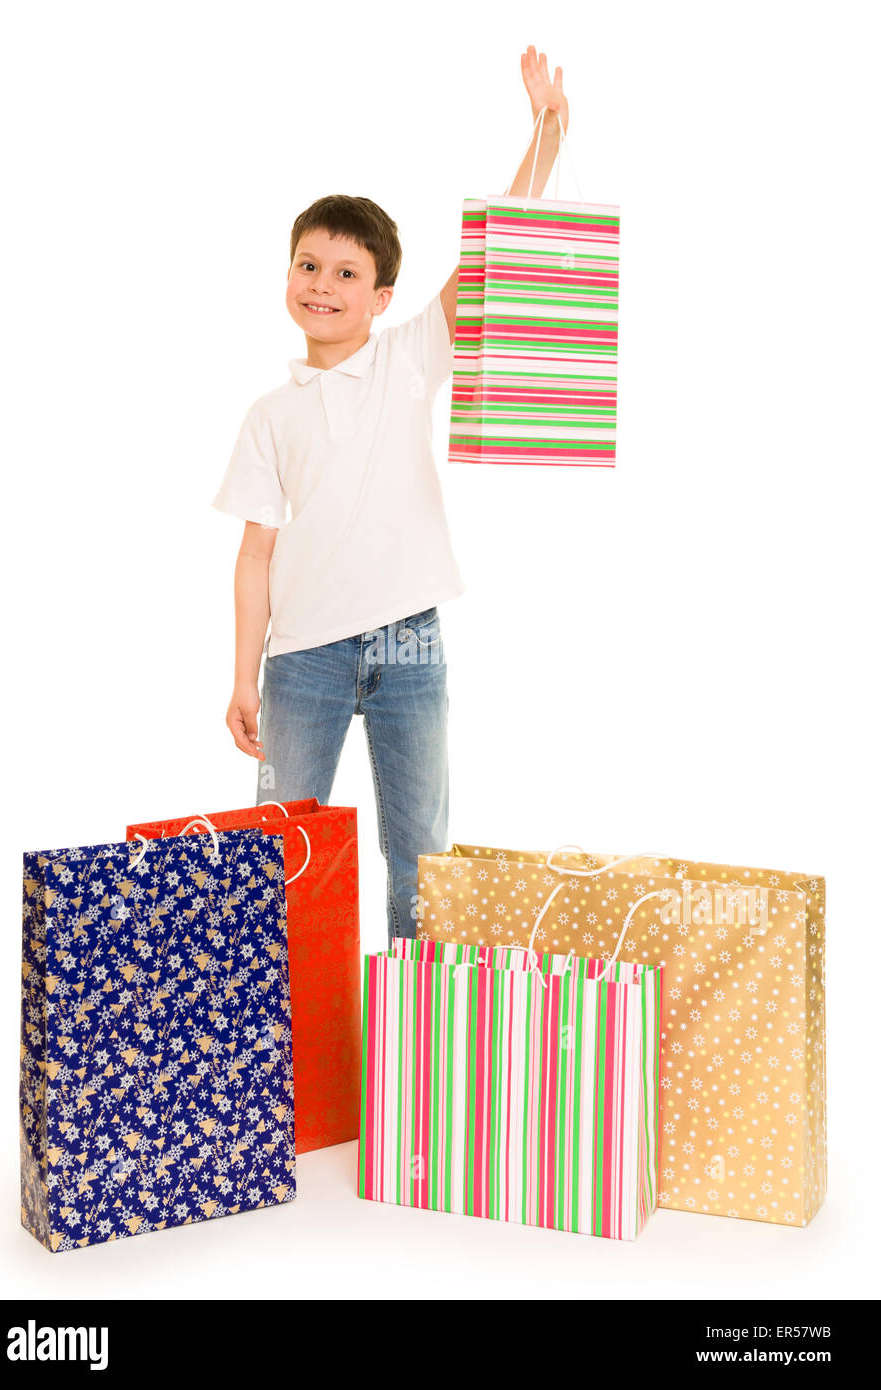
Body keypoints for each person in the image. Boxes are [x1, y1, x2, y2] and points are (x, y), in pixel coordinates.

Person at [213, 46, 569, 943]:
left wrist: (546, 133)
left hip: (410, 647)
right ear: (286, 277)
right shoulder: (269, 413)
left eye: (344, 274)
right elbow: (255, 554)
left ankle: (421, 1057)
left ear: (381, 297)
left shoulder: (408, 359)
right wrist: (243, 671)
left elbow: (495, 252)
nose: (321, 286)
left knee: (421, 865)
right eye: (308, 266)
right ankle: (286, 1059)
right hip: (301, 663)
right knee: (280, 858)